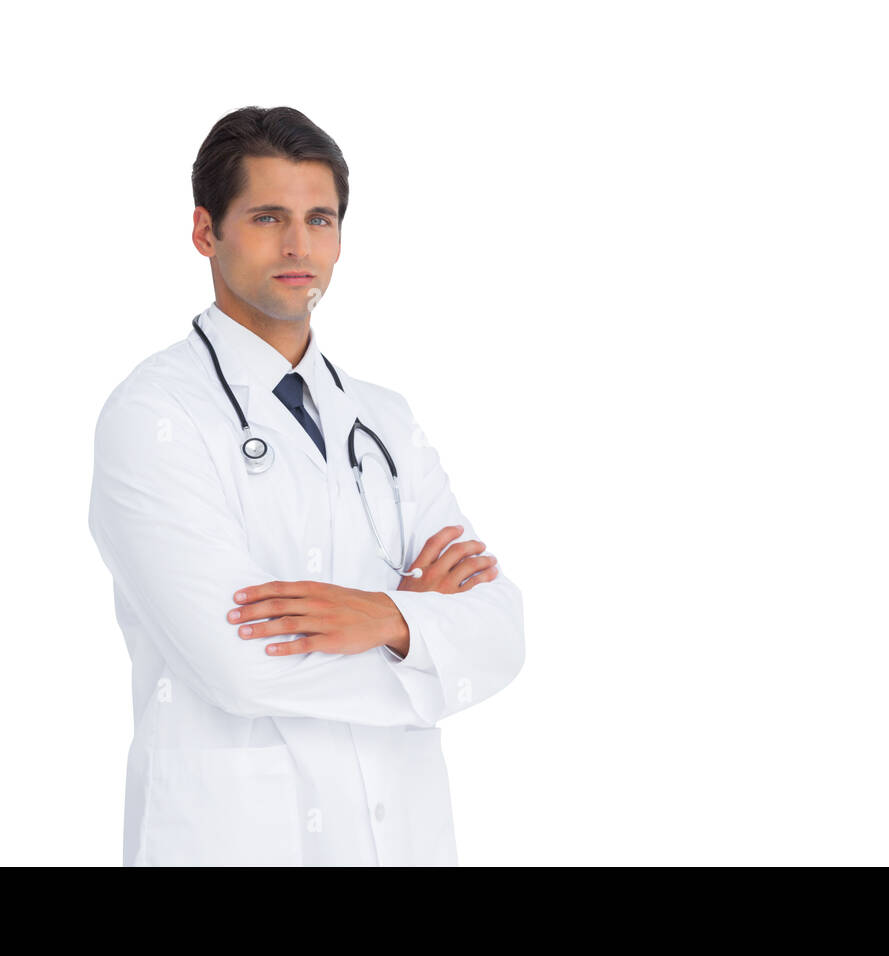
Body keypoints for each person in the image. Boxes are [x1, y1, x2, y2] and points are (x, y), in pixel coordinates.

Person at [87, 106, 525, 866]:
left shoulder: (384, 418)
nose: (299, 245)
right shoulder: (153, 416)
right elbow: (239, 667)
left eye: (319, 219)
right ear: (205, 232)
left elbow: (503, 632)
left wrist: (382, 617)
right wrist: (419, 635)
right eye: (267, 217)